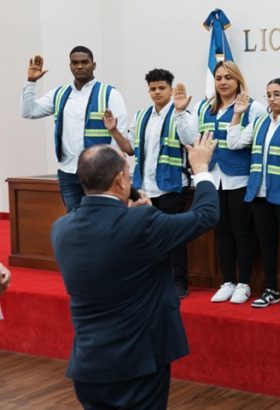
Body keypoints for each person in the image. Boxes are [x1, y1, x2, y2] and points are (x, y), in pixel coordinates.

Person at [51, 134, 219, 409]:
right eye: (128, 174)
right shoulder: (141, 223)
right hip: (136, 365)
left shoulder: (61, 228)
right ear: (120, 180)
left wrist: (135, 215)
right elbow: (206, 215)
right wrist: (200, 170)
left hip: (88, 366)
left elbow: (113, 248)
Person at [175, 61, 266, 304]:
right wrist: (181, 112)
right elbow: (187, 138)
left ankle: (244, 282)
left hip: (240, 178)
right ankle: (228, 281)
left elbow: (259, 141)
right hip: (213, 177)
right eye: (218, 78)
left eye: (228, 77)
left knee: (242, 231)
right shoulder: (203, 107)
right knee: (222, 230)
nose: (223, 82)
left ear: (238, 80)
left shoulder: (253, 107)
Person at [103, 68, 193, 298]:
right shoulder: (142, 116)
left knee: (173, 237)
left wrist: (181, 112)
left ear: (171, 90)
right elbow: (130, 148)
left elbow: (190, 140)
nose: (157, 92)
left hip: (171, 185)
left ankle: (179, 282)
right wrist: (113, 131)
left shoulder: (182, 114)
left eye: (161, 88)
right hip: (145, 187)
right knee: (147, 237)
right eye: (152, 89)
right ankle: (153, 279)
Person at [227, 77, 280, 311]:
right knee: (267, 244)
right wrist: (237, 115)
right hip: (259, 194)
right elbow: (234, 143)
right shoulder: (260, 122)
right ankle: (271, 289)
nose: (272, 99)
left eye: (277, 94)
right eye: (269, 95)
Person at [21, 47, 128, 212]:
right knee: (75, 221)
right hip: (68, 171)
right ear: (70, 66)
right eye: (75, 63)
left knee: (100, 220)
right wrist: (31, 82)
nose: (79, 66)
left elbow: (119, 135)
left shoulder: (110, 94)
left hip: (99, 173)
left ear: (94, 65)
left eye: (85, 62)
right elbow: (29, 112)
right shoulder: (60, 94)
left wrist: (112, 172)